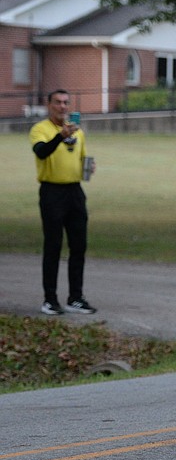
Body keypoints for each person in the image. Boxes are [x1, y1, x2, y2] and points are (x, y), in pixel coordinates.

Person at [30, 89, 96, 315]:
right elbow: (41, 152)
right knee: (53, 245)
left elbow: (81, 158)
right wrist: (60, 136)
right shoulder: (40, 129)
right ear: (49, 105)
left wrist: (88, 168)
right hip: (52, 192)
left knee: (79, 245)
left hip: (74, 192)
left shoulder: (79, 133)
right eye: (57, 102)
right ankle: (50, 299)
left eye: (66, 102)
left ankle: (75, 297)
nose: (62, 106)